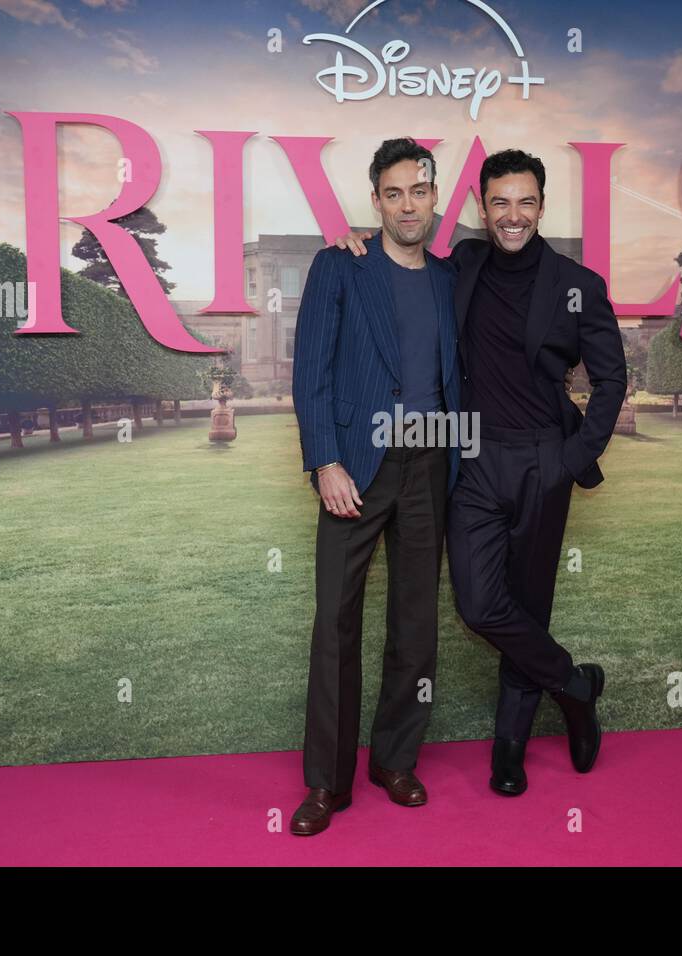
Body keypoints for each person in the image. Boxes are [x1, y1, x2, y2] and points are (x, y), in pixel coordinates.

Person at [333, 148, 624, 796]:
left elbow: (612, 381)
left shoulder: (578, 285)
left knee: (529, 604)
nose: (512, 215)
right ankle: (574, 684)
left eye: (525, 202)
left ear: (541, 207)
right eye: (500, 202)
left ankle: (511, 746)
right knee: (479, 603)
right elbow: (399, 259)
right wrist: (356, 245)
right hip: (470, 457)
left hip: (544, 460)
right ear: (483, 210)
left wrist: (572, 459)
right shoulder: (462, 265)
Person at [289, 138, 461, 835]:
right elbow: (311, 371)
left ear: (434, 197)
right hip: (355, 467)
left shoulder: (451, 277)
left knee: (415, 624)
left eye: (418, 191)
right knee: (336, 621)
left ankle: (395, 760)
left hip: (431, 464)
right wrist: (324, 460)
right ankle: (326, 783)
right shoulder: (340, 265)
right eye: (394, 193)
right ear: (377, 201)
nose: (407, 205)